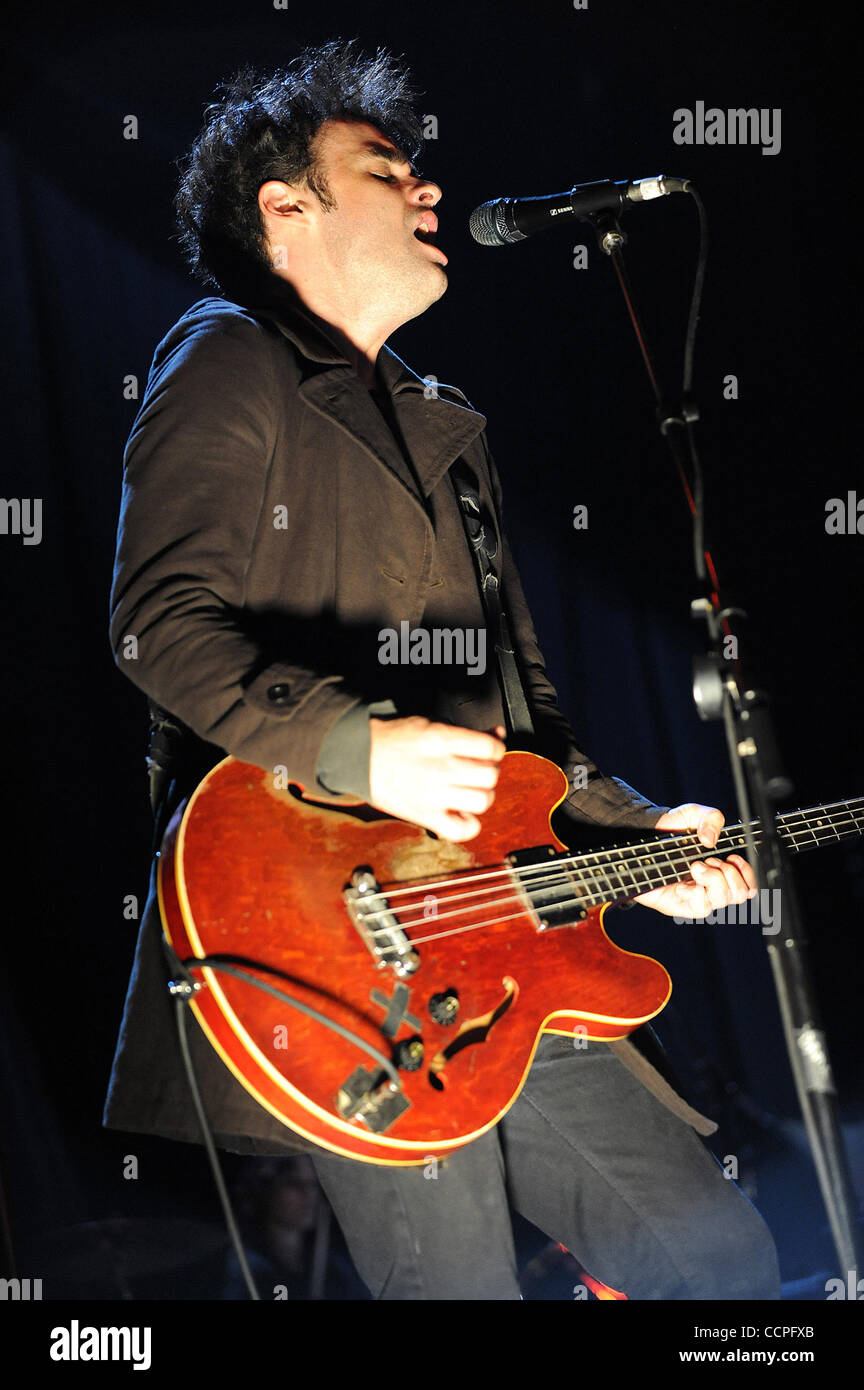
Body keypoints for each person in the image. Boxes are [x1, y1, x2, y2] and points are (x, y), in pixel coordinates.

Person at [104, 40, 780, 1300]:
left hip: (498, 947)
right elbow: (157, 624)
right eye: (387, 169)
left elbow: (533, 731)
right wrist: (368, 749)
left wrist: (650, 836)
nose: (427, 192)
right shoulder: (226, 359)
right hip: (332, 957)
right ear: (285, 207)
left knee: (720, 1260)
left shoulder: (449, 428)